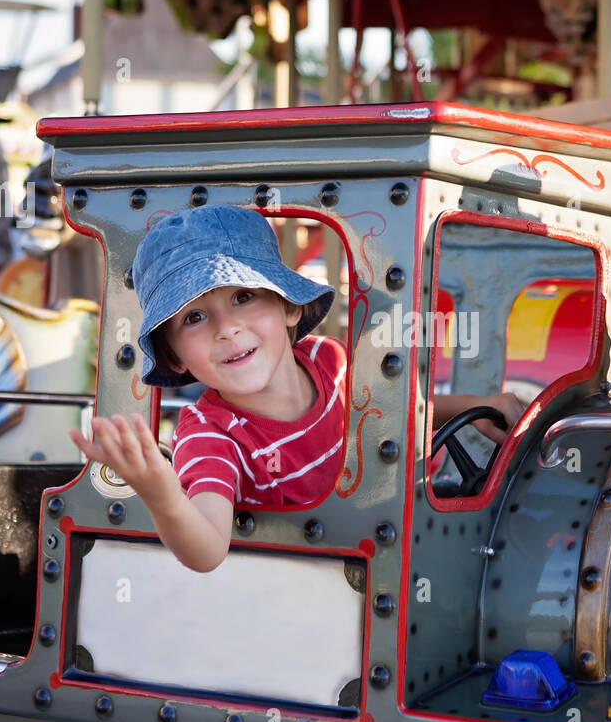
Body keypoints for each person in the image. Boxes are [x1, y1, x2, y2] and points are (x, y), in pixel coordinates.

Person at [70, 204, 522, 574]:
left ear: (288, 306)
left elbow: (383, 414)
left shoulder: (332, 361)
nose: (228, 329)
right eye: (194, 317)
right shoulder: (209, 436)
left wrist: (476, 407)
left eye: (243, 296)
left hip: (404, 556)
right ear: (174, 357)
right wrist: (161, 492)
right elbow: (206, 550)